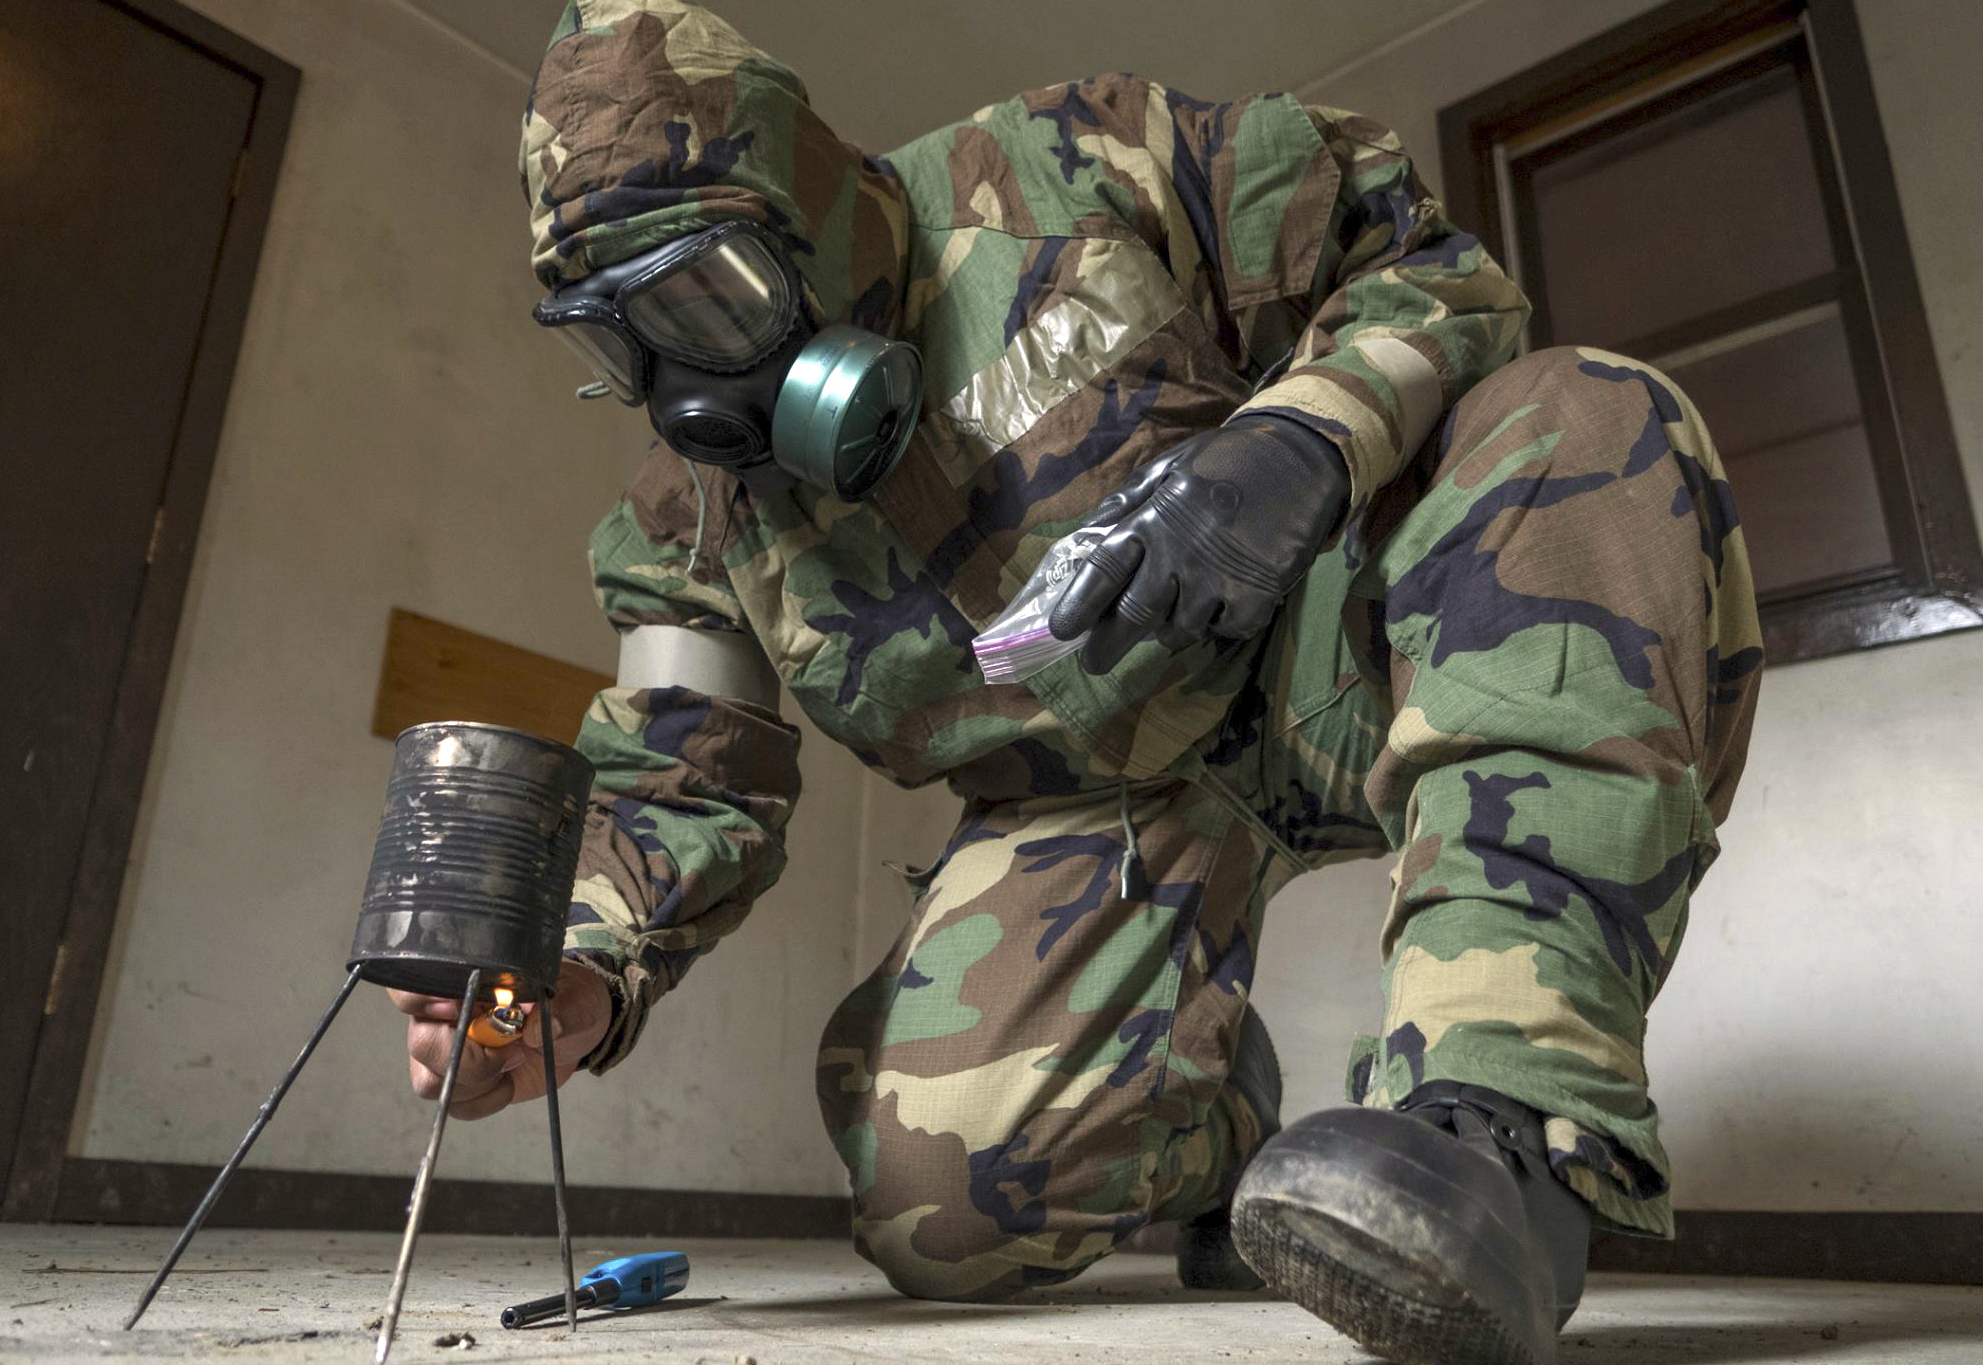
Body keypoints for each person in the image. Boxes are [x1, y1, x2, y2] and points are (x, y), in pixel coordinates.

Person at [387, 4, 1762, 1361]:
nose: (689, 395)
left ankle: (1504, 1137)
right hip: (1093, 813)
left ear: (808, 205)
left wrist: (1292, 446)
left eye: (706, 298)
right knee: (932, 1205)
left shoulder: (1076, 161)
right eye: (619, 341)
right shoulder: (689, 516)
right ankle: (1222, 1116)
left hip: (1339, 648)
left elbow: (1430, 268)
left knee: (1587, 418)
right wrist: (581, 966)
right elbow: (683, 767)